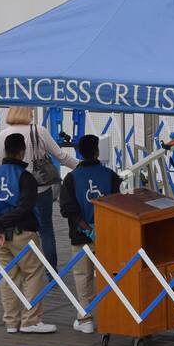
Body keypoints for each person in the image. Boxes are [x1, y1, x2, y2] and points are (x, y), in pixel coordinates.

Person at [0, 132, 56, 334]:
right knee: (34, 273)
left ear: (5, 150)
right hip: (23, 234)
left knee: (8, 277)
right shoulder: (25, 177)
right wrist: (2, 223)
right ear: (22, 152)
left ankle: (11, 322)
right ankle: (30, 320)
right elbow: (25, 206)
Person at [0, 107, 79, 270]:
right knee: (46, 231)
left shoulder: (4, 135)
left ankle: (22, 268)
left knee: (19, 230)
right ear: (28, 113)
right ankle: (52, 273)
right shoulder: (40, 131)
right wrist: (83, 166)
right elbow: (61, 157)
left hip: (15, 194)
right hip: (41, 190)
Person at [58, 134, 121, 334]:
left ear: (79, 153)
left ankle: (85, 319)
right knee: (110, 275)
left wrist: (86, 228)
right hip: (108, 234)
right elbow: (118, 205)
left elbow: (67, 208)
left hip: (81, 235)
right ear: (97, 151)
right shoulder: (111, 175)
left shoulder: (71, 178)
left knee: (82, 276)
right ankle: (113, 315)